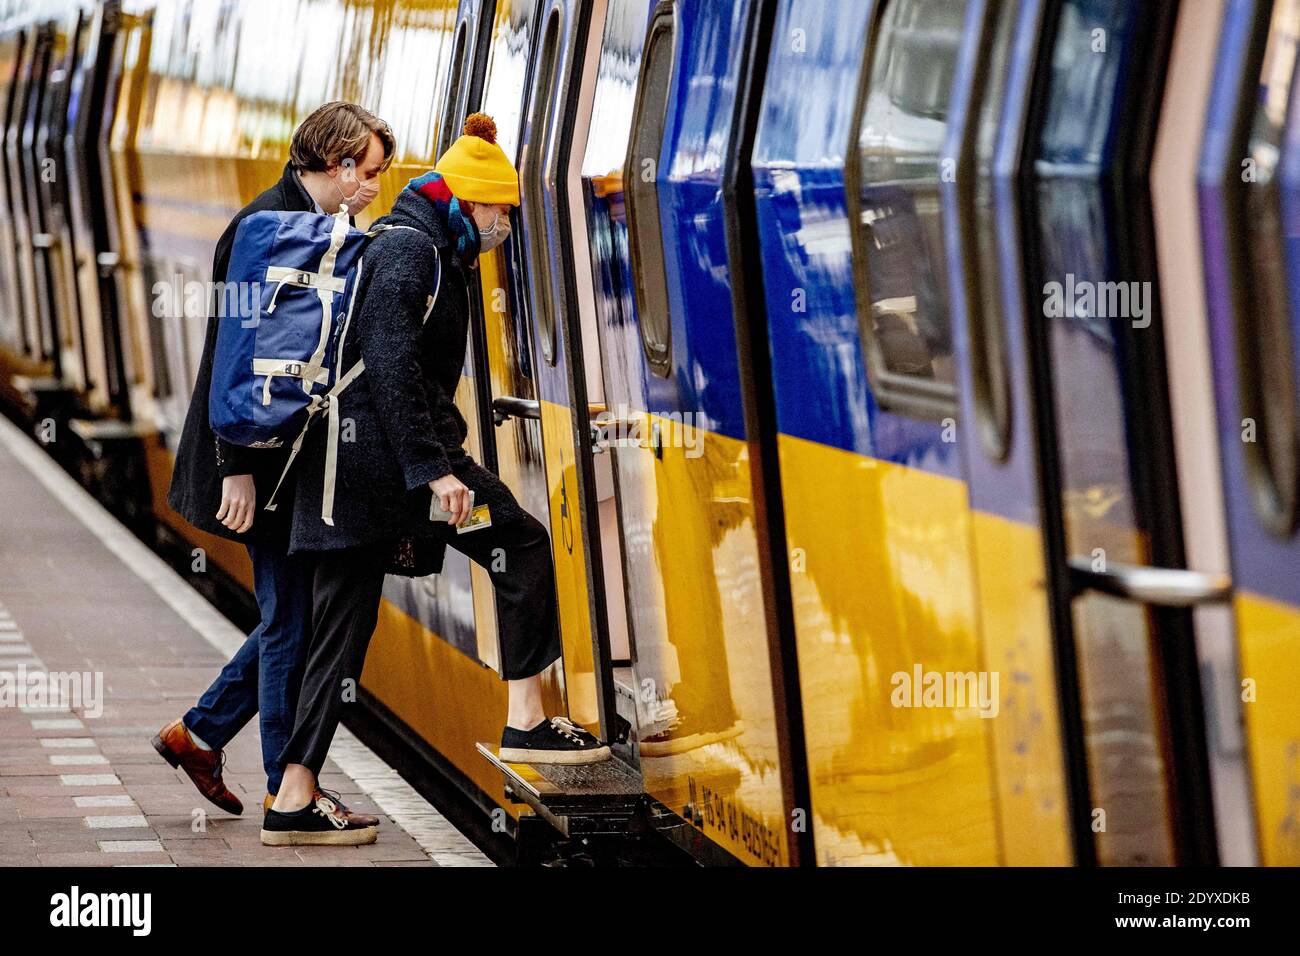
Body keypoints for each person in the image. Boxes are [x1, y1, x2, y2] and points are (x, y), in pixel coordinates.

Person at [260, 113, 609, 846]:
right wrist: (435, 473)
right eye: (501, 212)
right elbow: (388, 367)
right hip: (374, 475)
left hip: (379, 472)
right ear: (470, 203)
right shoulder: (413, 252)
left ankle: (295, 793)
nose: (506, 226)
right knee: (517, 542)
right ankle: (527, 723)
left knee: (342, 630)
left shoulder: (426, 245)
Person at [154, 102, 394, 839]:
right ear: (336, 164)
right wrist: (236, 468)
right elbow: (234, 354)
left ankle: (199, 736)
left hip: (282, 463)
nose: (376, 188)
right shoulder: (262, 228)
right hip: (253, 464)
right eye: (370, 172)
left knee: (294, 614)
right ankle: (285, 794)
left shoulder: (317, 227)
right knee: (290, 615)